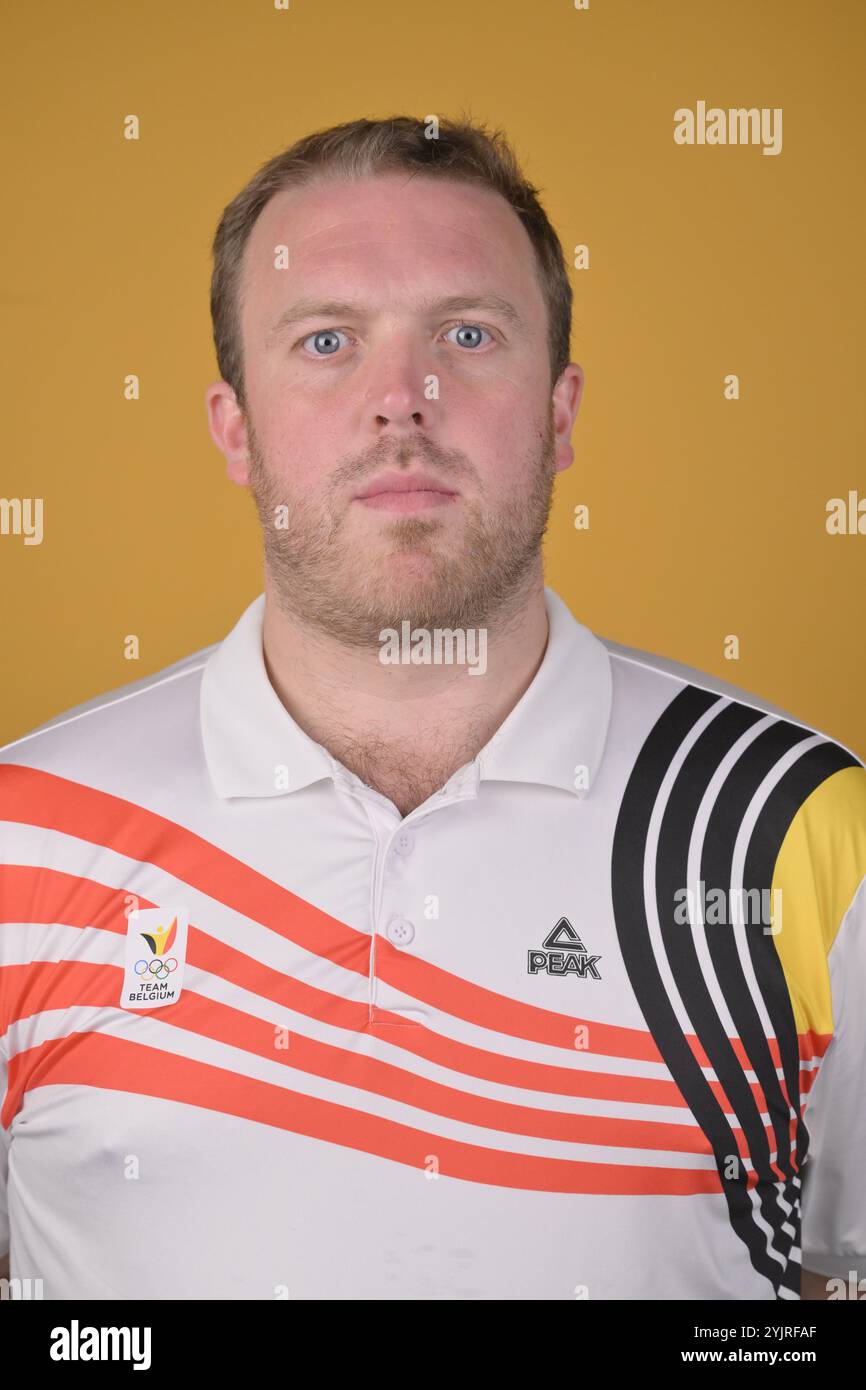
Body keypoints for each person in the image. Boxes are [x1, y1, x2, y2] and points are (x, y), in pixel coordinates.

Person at [1, 115, 863, 1301]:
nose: (401, 400)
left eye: (467, 333)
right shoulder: (25, 836)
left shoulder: (797, 826)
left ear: (559, 414)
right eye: (324, 341)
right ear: (235, 430)